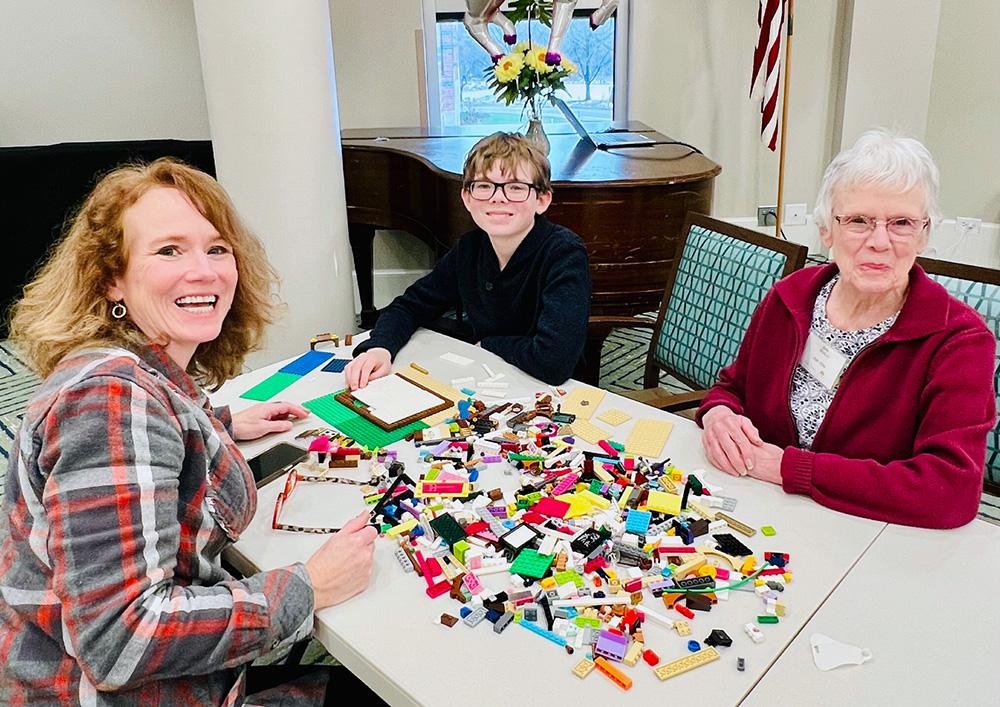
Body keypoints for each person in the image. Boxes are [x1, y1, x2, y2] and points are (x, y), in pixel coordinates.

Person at [0, 158, 380, 706]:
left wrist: (218, 425)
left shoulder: (135, 374)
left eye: (217, 248)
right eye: (168, 250)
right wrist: (309, 586)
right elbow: (120, 641)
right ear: (112, 277)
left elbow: (140, 453)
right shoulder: (110, 400)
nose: (203, 271)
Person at [697, 129, 995, 529]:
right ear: (827, 230)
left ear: (923, 235)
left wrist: (790, 468)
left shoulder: (959, 340)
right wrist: (718, 415)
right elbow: (732, 387)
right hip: (759, 513)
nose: (879, 241)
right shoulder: (791, 297)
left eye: (901, 222)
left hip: (873, 535)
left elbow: (949, 491)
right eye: (858, 220)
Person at [344, 132, 591, 389]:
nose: (498, 197)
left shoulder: (564, 253)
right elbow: (410, 306)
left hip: (556, 391)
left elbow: (554, 362)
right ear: (467, 198)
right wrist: (380, 347)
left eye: (516, 187)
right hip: (492, 374)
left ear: (541, 200)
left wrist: (491, 343)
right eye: (484, 186)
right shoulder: (471, 248)